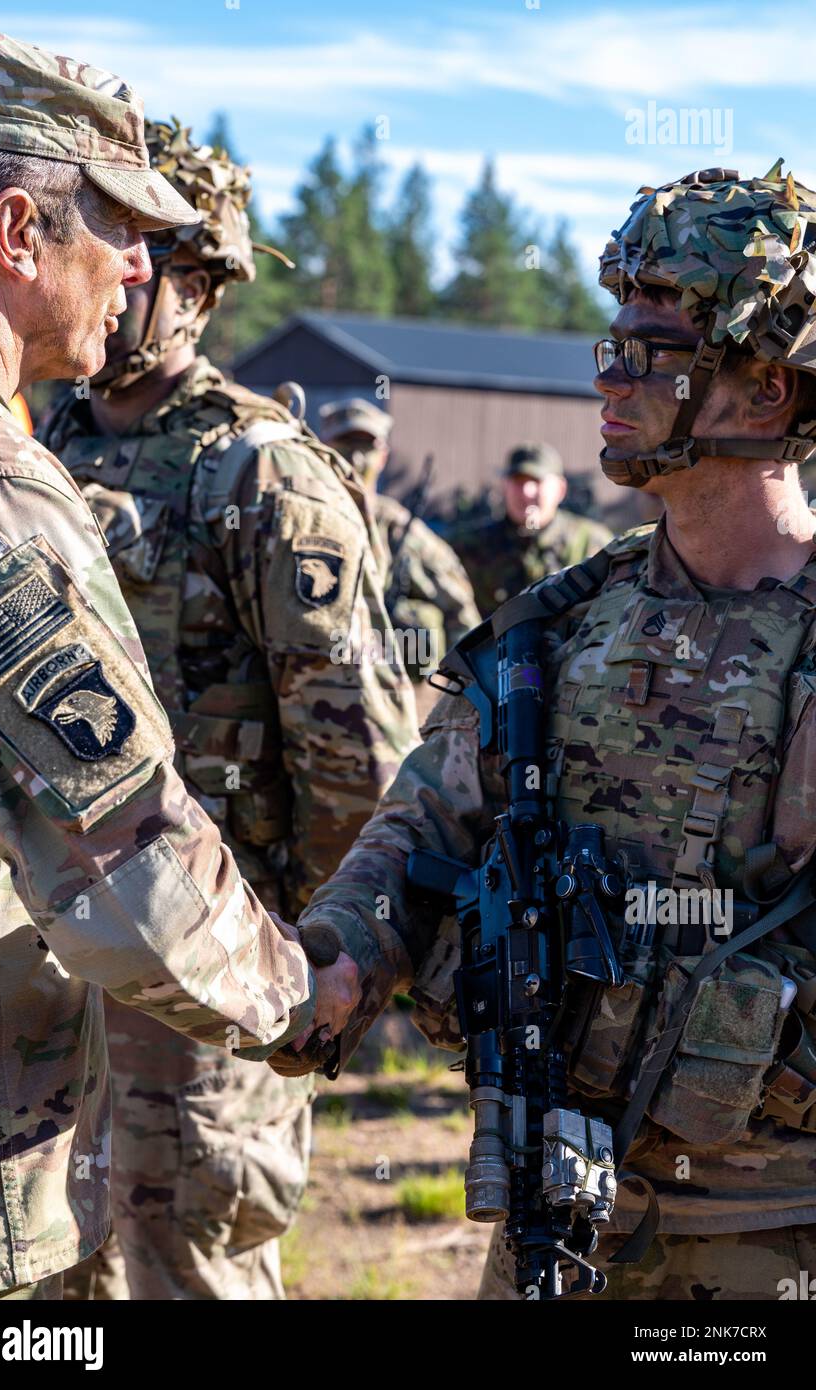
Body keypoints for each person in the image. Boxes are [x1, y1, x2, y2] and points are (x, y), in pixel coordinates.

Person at [277, 164, 816, 1301]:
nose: (609, 383)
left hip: (776, 1232)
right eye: (606, 347)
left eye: (650, 354)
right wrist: (333, 963)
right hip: (559, 1207)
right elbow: (425, 817)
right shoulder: (561, 623)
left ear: (768, 389)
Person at [0, 20, 357, 1303]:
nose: (138, 265)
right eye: (114, 224)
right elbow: (129, 868)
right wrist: (312, 997)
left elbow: (349, 740)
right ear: (18, 236)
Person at [40, 121, 420, 1300]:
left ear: (199, 286)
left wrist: (314, 969)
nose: (121, 271)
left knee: (185, 1259)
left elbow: (359, 758)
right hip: (48, 956)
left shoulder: (264, 475)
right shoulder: (31, 448)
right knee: (57, 1271)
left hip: (208, 970)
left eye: (147, 252)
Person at [318, 397, 480, 698]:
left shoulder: (400, 531)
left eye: (366, 446)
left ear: (383, 456)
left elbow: (461, 613)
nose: (355, 458)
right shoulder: (305, 522)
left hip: (399, 697)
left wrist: (457, 699)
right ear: (323, 450)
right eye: (344, 444)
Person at [446, 441, 612, 617]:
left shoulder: (592, 543)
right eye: (518, 481)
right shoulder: (468, 546)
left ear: (560, 489)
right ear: (505, 486)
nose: (526, 492)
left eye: (536, 481)